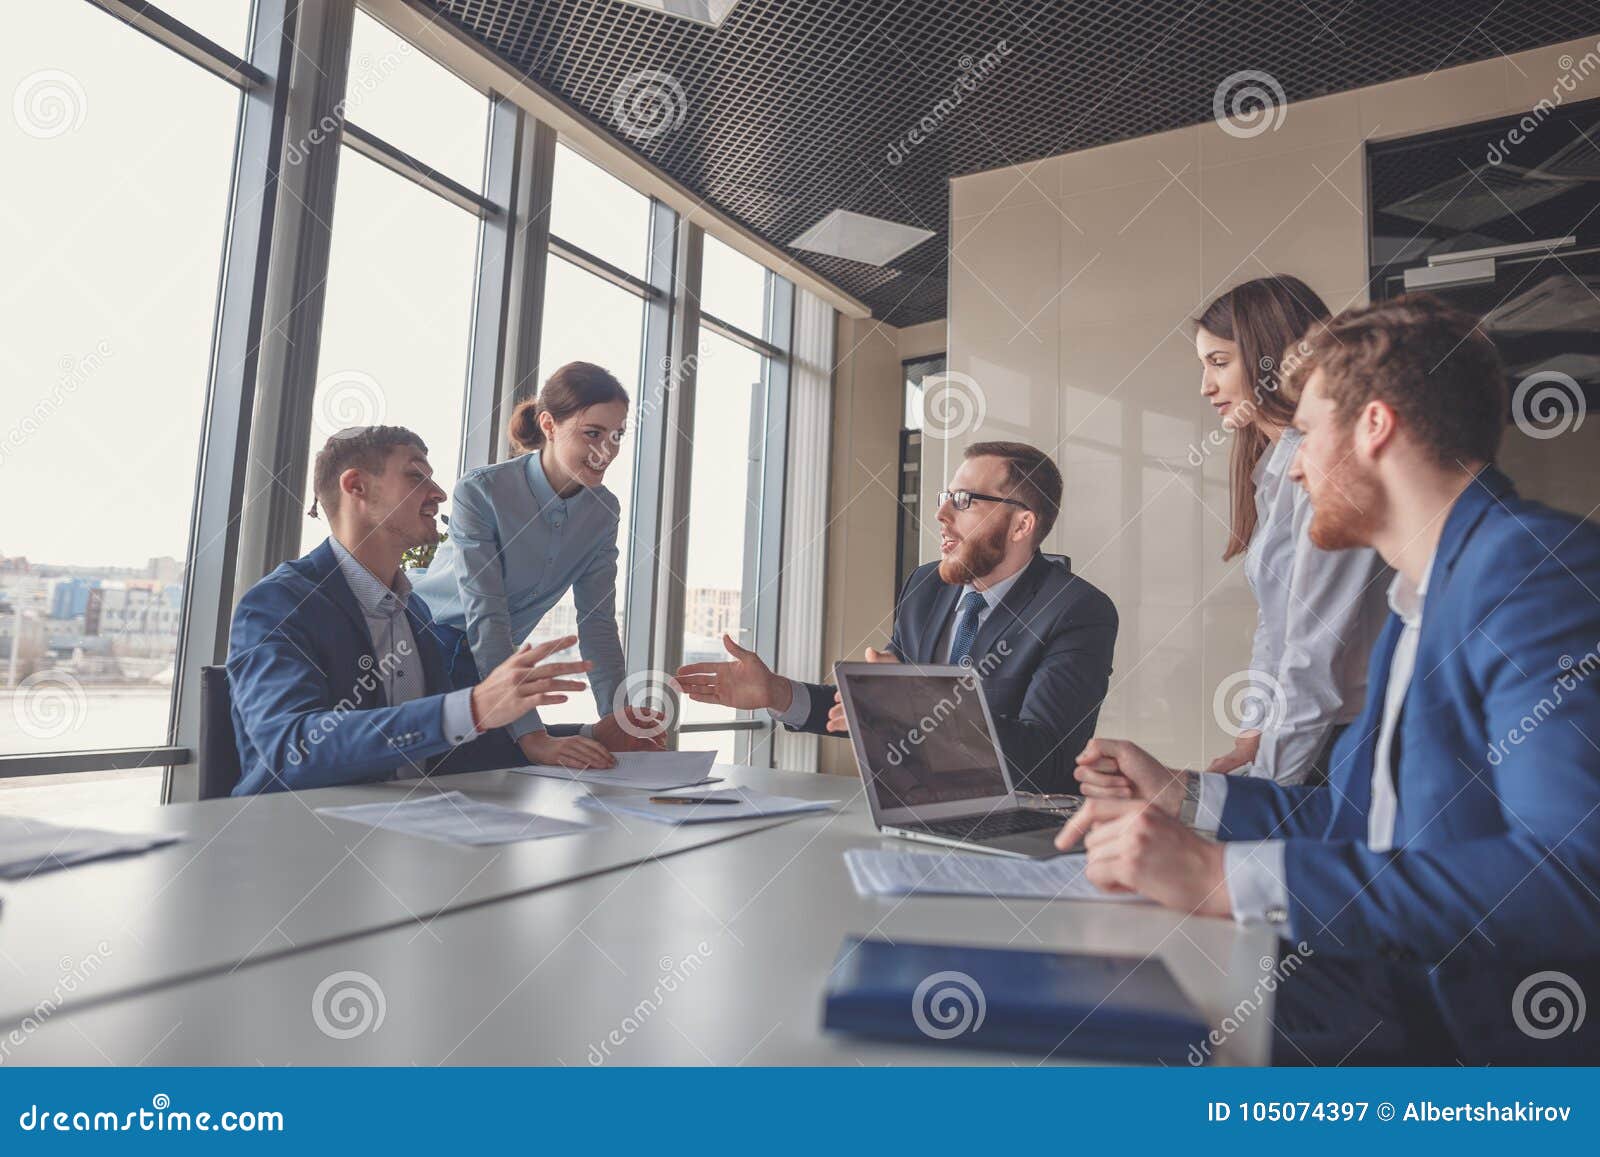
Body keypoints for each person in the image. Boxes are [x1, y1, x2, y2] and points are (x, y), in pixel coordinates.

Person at [1059, 294, 1600, 1062]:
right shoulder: (1418, 599)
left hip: (1464, 1047)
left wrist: (1222, 876)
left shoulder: (1528, 572)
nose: (1295, 465)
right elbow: (1362, 832)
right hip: (1381, 991)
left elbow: (1572, 876)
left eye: (1308, 434)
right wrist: (1187, 795)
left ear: (1374, 427)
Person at [675, 441, 1118, 793]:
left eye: (964, 501)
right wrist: (779, 693)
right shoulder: (927, 588)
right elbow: (880, 707)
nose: (941, 515)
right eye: (946, 497)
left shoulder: (1077, 612)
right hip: (912, 810)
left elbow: (1046, 761)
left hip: (1021, 829)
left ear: (1022, 526)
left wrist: (917, 705)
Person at [227, 426, 644, 796]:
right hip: (295, 846)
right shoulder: (278, 605)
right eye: (415, 476)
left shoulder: (415, 613)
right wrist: (474, 707)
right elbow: (292, 749)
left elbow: (450, 743)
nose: (440, 493)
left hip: (401, 842)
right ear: (356, 486)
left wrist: (591, 735)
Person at [411, 362, 657, 770]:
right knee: (461, 771)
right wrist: (532, 735)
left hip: (499, 659)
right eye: (592, 433)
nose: (607, 451)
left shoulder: (603, 510)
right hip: (427, 644)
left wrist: (617, 719)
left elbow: (597, 622)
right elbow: (486, 615)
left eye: (617, 436)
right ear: (548, 424)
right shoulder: (482, 490)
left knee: (503, 773)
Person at [1195, 276, 1389, 784]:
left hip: (1350, 735)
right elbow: (1276, 626)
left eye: (1219, 362)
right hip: (1314, 732)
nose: (1206, 386)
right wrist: (1251, 736)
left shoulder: (1327, 469)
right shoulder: (1274, 471)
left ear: (1266, 355)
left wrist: (1269, 786)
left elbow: (1314, 651)